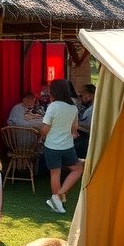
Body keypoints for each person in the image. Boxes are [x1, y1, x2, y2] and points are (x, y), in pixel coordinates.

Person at [41, 79, 84, 215]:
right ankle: (59, 195)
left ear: (54, 91)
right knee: (77, 169)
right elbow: (74, 128)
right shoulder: (73, 107)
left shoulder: (53, 106)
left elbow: (45, 129)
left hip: (52, 145)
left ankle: (57, 198)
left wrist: (41, 134)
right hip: (67, 145)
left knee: (55, 174)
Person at [75, 84, 96, 158]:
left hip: (86, 138)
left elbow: (87, 125)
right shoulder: (90, 107)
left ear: (88, 95)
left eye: (82, 94)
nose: (81, 97)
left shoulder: (92, 109)